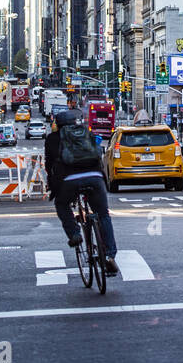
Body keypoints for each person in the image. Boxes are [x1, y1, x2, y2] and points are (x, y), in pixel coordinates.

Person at [45, 109, 118, 276]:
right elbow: (98, 155)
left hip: (69, 181)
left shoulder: (53, 139)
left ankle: (75, 233)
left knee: (62, 204)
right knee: (103, 215)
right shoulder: (87, 133)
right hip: (94, 177)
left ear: (58, 124)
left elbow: (50, 165)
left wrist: (52, 185)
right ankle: (109, 256)